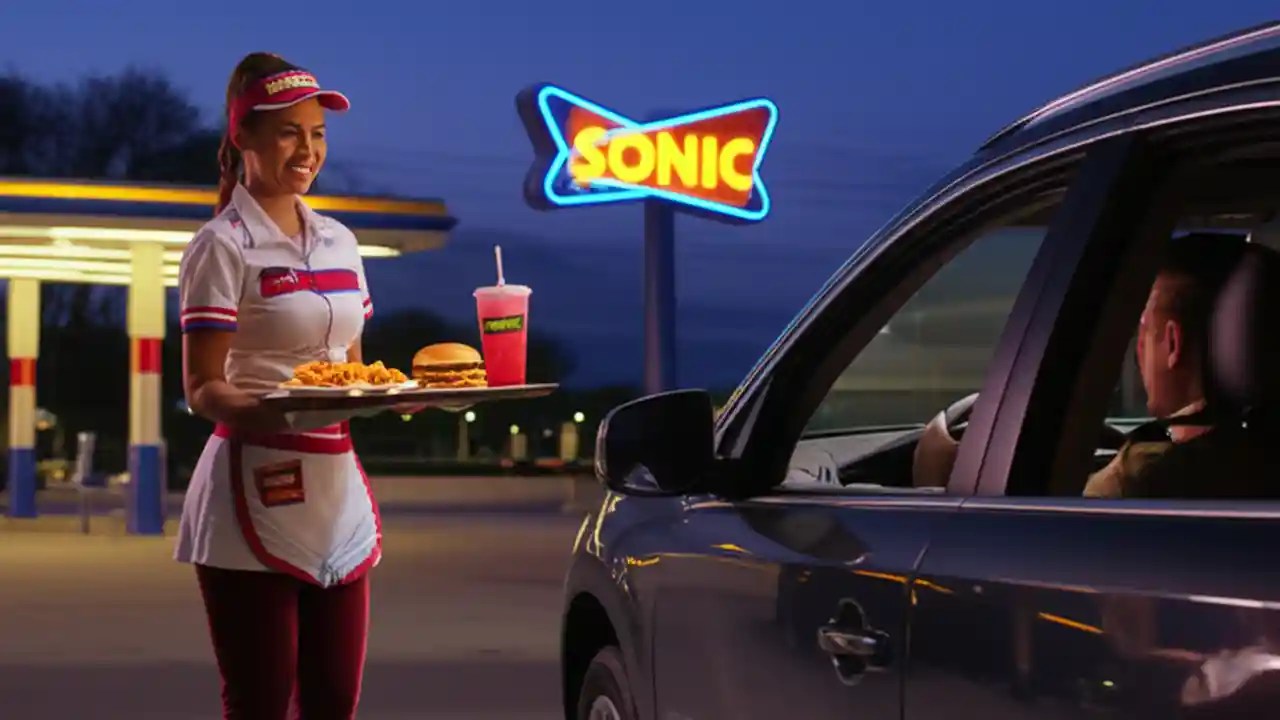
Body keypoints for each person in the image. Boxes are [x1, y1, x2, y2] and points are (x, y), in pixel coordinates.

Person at [174, 52, 418, 719]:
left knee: (335, 699)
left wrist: (403, 397)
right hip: (251, 485)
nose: (307, 149)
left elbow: (353, 370)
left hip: (336, 491)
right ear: (242, 138)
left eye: (317, 133)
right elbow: (201, 387)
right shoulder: (220, 247)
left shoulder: (341, 241)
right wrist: (275, 409)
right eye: (287, 132)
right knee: (259, 698)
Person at [1084, 232, 1248, 498]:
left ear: (1173, 343)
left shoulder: (1137, 481)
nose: (1139, 349)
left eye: (1144, 331)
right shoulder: (1262, 462)